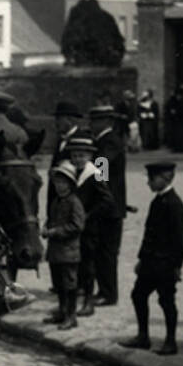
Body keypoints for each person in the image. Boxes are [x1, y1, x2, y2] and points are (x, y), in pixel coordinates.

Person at [119, 161, 183, 355]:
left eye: (152, 179)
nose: (148, 183)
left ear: (166, 178)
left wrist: (177, 266)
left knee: (166, 301)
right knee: (138, 295)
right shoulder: (157, 200)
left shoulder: (174, 204)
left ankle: (171, 341)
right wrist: (141, 259)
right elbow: (149, 234)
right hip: (150, 262)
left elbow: (180, 240)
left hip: (165, 264)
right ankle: (143, 336)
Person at [62, 131, 119, 319]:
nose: (78, 159)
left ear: (89, 156)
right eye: (74, 155)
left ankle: (88, 301)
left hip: (88, 228)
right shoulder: (69, 173)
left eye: (82, 155)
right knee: (71, 265)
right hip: (72, 227)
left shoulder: (96, 174)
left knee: (87, 265)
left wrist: (88, 215)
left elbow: (107, 200)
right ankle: (68, 305)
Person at [89, 104, 127, 305]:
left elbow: (101, 168)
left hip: (110, 207)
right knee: (101, 251)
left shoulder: (110, 141)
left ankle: (109, 294)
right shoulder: (103, 140)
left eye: (96, 120)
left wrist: (88, 171)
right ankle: (103, 290)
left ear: (107, 122)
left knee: (107, 253)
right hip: (105, 206)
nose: (92, 124)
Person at [41, 160, 85, 330]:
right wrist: (46, 226)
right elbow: (51, 219)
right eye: (57, 182)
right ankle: (62, 310)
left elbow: (77, 225)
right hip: (55, 251)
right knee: (58, 284)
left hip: (69, 251)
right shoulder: (56, 202)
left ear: (70, 184)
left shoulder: (74, 202)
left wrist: (55, 231)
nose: (59, 186)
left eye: (63, 182)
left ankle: (71, 316)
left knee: (69, 284)